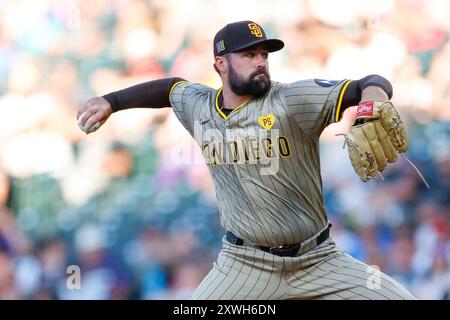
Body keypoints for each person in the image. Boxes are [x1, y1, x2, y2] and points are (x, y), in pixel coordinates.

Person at [77, 20, 416, 300]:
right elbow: (168, 89)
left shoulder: (290, 99)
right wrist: (110, 101)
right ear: (220, 64)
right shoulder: (198, 105)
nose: (260, 62)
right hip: (245, 264)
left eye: (264, 55)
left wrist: (371, 102)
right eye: (249, 54)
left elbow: (371, 83)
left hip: (319, 259)